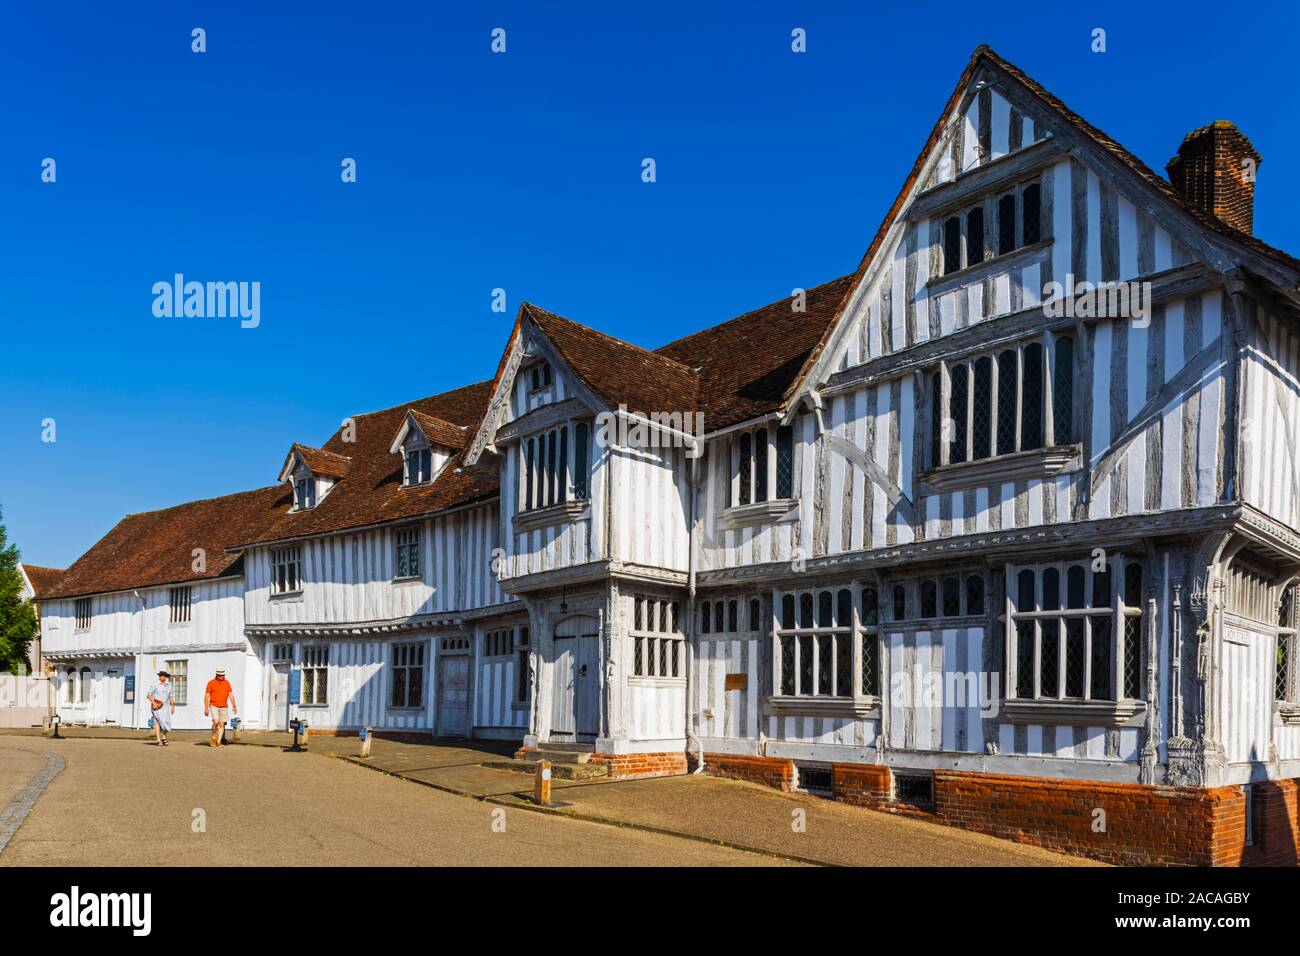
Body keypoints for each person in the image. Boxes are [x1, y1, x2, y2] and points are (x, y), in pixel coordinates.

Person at [203, 667, 238, 748]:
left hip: (224, 706)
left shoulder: (227, 683)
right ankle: (213, 737)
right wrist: (206, 708)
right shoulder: (211, 683)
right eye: (220, 675)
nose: (222, 677)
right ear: (217, 675)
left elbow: (230, 694)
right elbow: (207, 696)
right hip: (213, 705)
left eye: (223, 675)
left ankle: (218, 742)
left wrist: (234, 705)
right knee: (216, 721)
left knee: (222, 724)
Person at [145, 670, 175, 746]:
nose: (164, 677)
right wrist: (153, 703)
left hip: (166, 706)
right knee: (158, 722)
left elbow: (170, 696)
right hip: (157, 705)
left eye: (165, 676)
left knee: (167, 723)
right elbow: (149, 695)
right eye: (162, 676)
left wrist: (172, 707)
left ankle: (164, 737)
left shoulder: (169, 685)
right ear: (160, 676)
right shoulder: (155, 684)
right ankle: (158, 740)